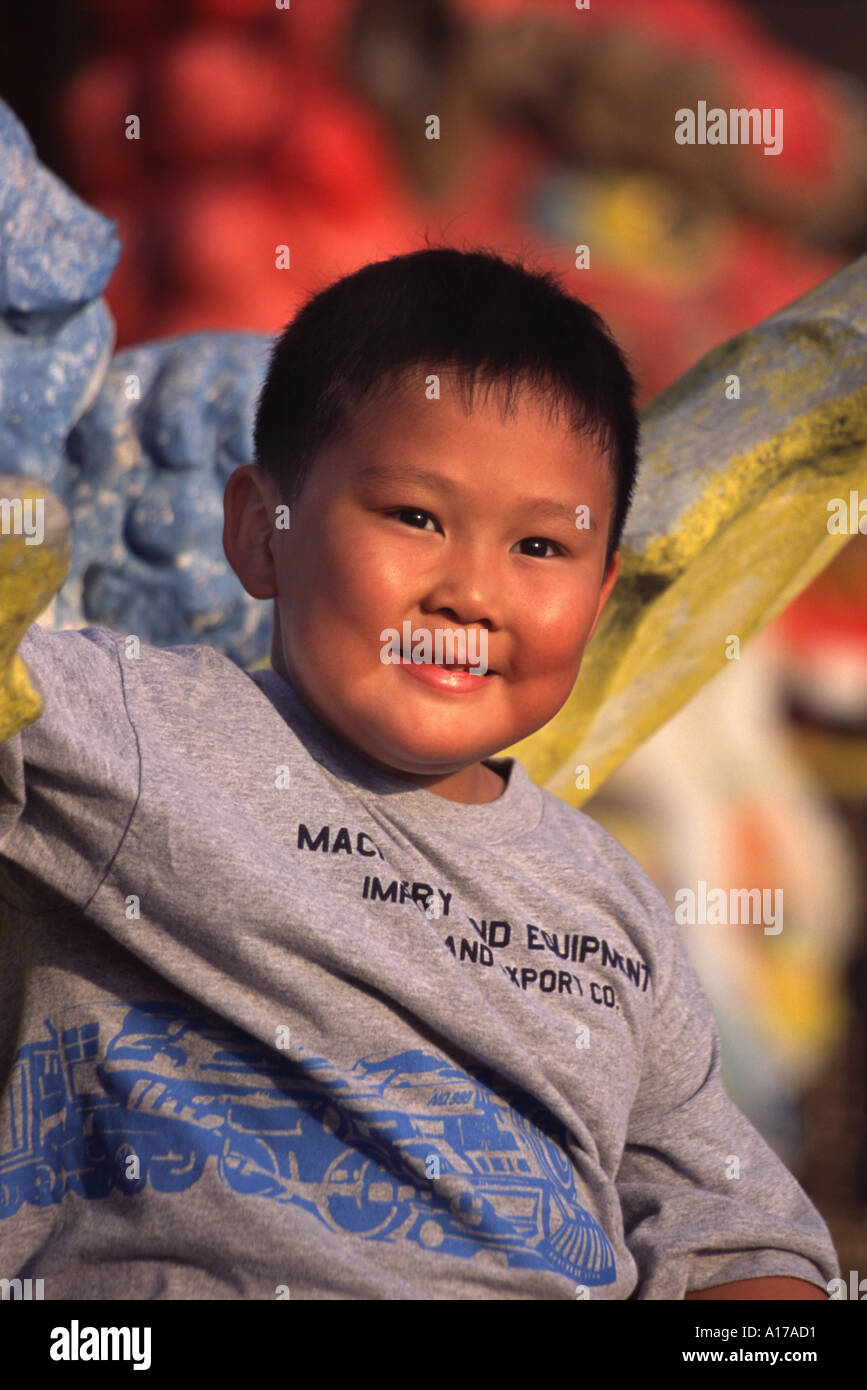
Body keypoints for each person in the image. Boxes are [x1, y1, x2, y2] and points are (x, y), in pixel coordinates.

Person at [0, 247, 838, 1300]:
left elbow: (737, 1237)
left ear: (603, 586)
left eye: (540, 546)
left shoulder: (611, 900)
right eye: (415, 518)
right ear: (263, 530)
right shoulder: (134, 725)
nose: (472, 593)